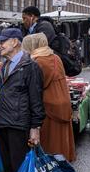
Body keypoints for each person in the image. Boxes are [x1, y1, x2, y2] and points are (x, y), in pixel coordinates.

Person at [0, 28, 45, 172]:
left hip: (19, 122)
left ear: (15, 42)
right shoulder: (5, 65)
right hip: (4, 121)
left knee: (21, 163)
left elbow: (36, 99)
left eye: (2, 42)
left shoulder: (30, 66)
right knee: (9, 163)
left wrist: (35, 127)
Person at [22, 33, 76, 162]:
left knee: (51, 140)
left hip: (49, 104)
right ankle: (62, 163)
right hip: (62, 101)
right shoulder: (54, 57)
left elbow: (35, 87)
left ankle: (51, 168)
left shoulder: (38, 61)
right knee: (61, 138)